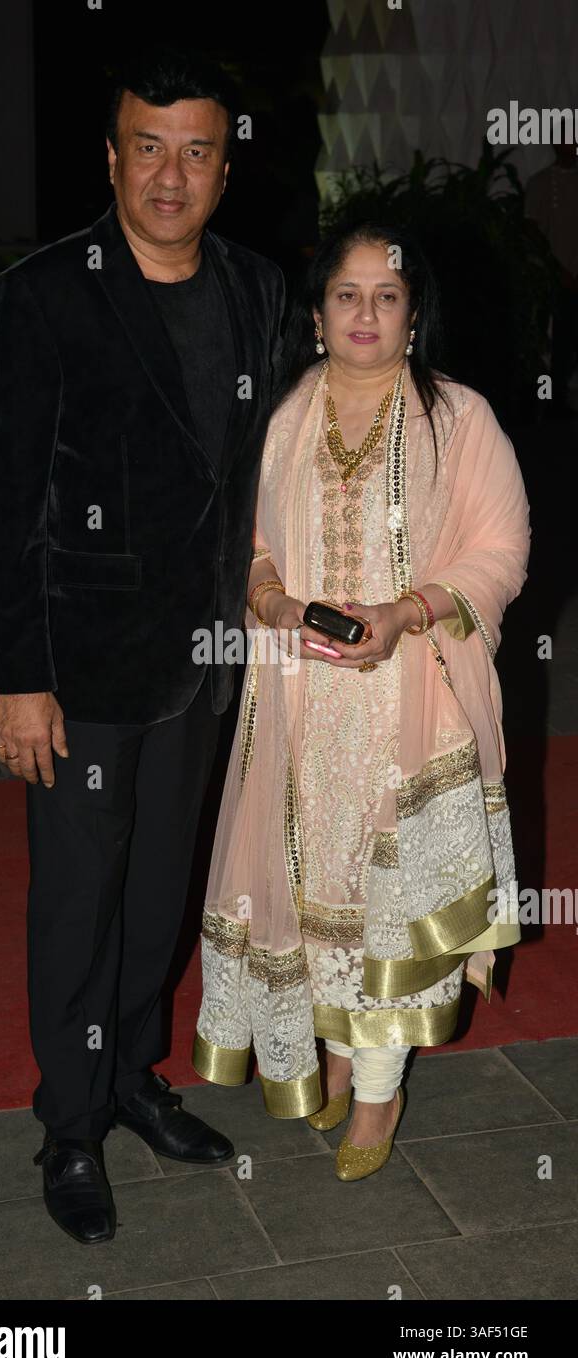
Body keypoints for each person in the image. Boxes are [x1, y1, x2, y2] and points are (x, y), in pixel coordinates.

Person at [0, 47, 285, 1243]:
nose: (169, 172)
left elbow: (264, 472)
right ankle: (68, 1120)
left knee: (159, 894)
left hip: (202, 662)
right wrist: (19, 678)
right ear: (111, 159)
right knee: (80, 899)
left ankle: (134, 1076)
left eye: (195, 149)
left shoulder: (257, 290)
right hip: (82, 669)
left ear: (221, 166)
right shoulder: (43, 294)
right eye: (146, 146)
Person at [192, 220, 530, 1180]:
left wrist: (406, 611)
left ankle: (377, 1095)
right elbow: (249, 541)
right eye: (347, 294)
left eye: (388, 295)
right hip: (301, 704)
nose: (366, 313)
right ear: (316, 313)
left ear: (414, 315)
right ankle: (333, 1061)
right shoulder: (286, 416)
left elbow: (499, 551)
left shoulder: (458, 420)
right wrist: (266, 595)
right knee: (313, 887)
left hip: (407, 697)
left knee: (386, 900)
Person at [525, 137, 578, 417]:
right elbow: (533, 232)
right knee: (560, 340)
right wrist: (558, 271)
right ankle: (554, 402)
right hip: (556, 277)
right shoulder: (541, 183)